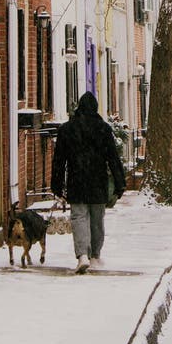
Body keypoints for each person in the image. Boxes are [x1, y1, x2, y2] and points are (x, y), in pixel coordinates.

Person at [51, 91, 126, 274]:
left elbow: (59, 160)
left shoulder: (67, 129)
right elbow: (113, 158)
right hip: (97, 181)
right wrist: (119, 183)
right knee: (97, 219)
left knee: (79, 217)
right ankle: (95, 256)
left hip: (77, 179)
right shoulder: (103, 129)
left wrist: (57, 184)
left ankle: (82, 255)